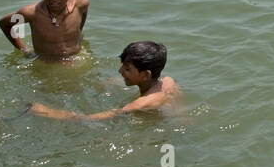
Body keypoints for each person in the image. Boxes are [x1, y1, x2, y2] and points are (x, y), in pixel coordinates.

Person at [30, 41, 180, 121]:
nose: (120, 71)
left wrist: (47, 112)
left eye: (127, 69)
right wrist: (109, 83)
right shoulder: (167, 81)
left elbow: (90, 119)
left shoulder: (141, 104)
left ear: (145, 75)